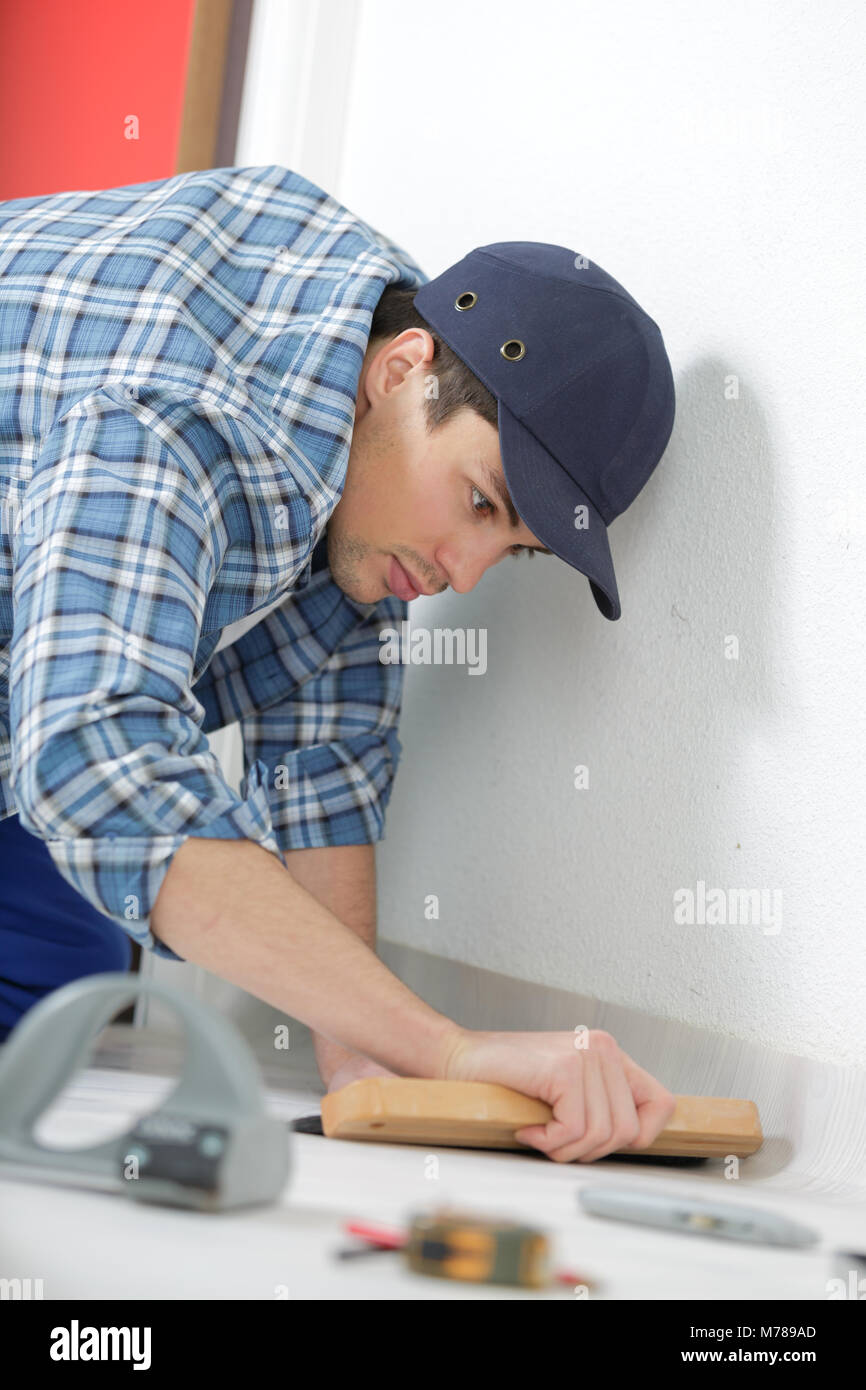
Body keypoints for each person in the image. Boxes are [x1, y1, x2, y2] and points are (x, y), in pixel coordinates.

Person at [0, 164, 677, 1162]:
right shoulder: (185, 406)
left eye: (513, 548)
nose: (465, 572)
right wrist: (447, 1048)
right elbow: (93, 759)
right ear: (403, 371)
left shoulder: (371, 404)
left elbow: (321, 766)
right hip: (54, 718)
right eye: (482, 504)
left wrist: (367, 1059)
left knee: (67, 981)